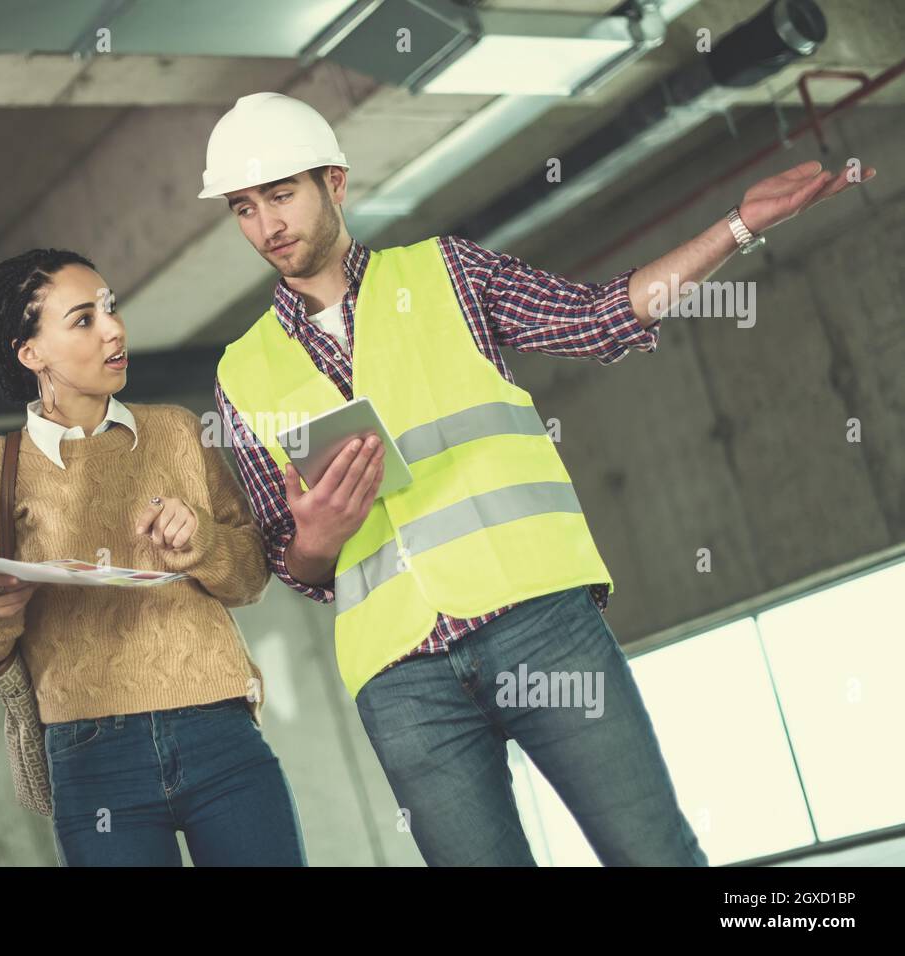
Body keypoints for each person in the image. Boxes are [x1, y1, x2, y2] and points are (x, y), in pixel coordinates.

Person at [204, 92, 874, 866]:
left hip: (538, 625)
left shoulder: (446, 272)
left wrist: (738, 226)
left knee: (651, 853)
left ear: (335, 182)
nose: (266, 226)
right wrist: (317, 539)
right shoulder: (241, 371)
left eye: (280, 195)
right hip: (399, 679)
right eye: (243, 208)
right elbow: (294, 562)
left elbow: (597, 320)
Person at [0, 247, 305, 866]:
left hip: (218, 728)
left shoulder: (178, 431)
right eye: (83, 319)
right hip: (91, 754)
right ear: (31, 354)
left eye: (111, 309)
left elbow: (250, 579)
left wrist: (201, 544)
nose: (114, 329)